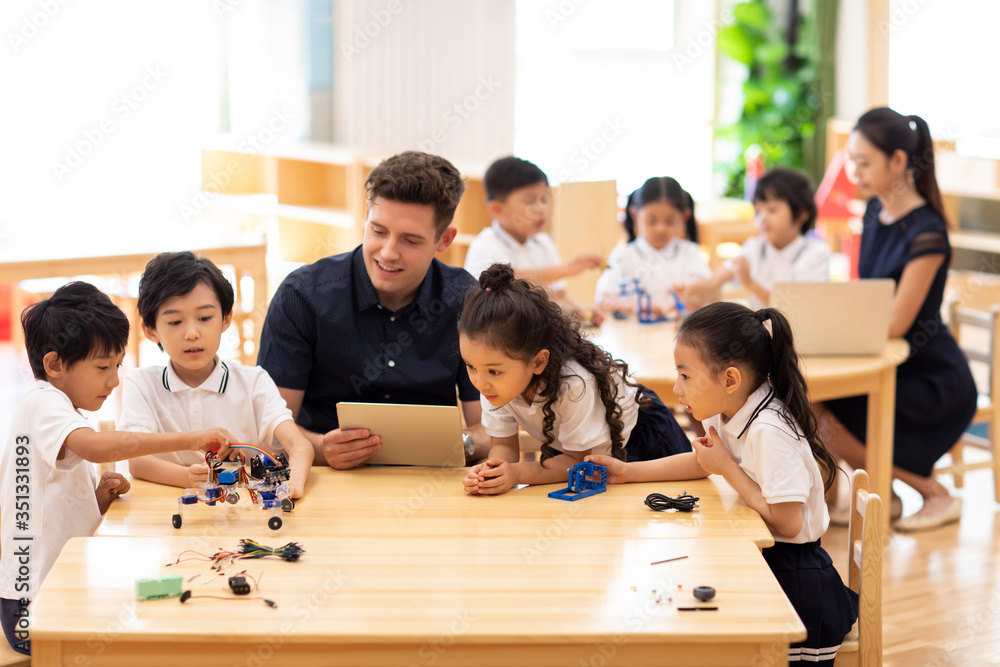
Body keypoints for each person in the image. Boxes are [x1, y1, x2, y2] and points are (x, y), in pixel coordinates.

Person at [589, 302, 859, 666]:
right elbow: (704, 460)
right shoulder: (734, 408)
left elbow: (788, 522)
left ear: (729, 379)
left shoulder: (768, 431)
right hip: (768, 563)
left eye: (685, 376)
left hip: (800, 587)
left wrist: (727, 468)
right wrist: (630, 472)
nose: (676, 387)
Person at [0, 282, 232, 655]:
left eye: (119, 365)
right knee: (146, 631)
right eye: (103, 366)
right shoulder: (42, 404)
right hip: (31, 605)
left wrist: (97, 499)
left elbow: (48, 505)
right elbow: (97, 447)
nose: (114, 379)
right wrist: (189, 439)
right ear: (55, 364)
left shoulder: (55, 412)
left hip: (55, 587)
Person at [259, 151, 489, 469]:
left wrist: (459, 445)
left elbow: (491, 429)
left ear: (444, 239)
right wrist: (321, 447)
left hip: (433, 484)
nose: (388, 253)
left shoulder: (468, 302)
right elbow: (269, 427)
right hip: (326, 481)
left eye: (410, 240)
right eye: (378, 231)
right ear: (366, 214)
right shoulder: (302, 296)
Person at [817, 108, 977, 532]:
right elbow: (863, 296)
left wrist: (827, 327)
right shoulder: (873, 213)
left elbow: (894, 323)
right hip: (886, 360)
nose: (854, 171)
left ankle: (935, 493)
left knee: (818, 409)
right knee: (812, 402)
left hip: (930, 376)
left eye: (864, 162)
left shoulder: (927, 232)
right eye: (851, 159)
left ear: (899, 162)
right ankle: (882, 497)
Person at [460, 264, 690, 495]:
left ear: (538, 362)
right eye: (470, 366)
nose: (479, 382)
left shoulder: (575, 384)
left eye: (493, 371)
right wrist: (491, 472)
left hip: (643, 440)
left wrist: (517, 473)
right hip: (578, 455)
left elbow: (579, 462)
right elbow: (503, 446)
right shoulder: (492, 381)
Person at [120, 252, 312, 497]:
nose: (191, 333)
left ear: (226, 318)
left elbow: (300, 446)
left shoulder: (254, 382)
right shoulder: (141, 384)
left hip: (240, 514)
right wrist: (186, 477)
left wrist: (291, 485)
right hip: (163, 514)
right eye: (175, 322)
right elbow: (137, 461)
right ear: (150, 330)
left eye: (204, 318)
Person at [463, 156, 605, 325]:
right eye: (530, 201)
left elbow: (558, 295)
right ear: (498, 210)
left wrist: (581, 312)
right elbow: (505, 281)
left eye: (544, 199)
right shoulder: (486, 243)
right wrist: (566, 269)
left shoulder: (543, 242)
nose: (540, 209)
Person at [679, 167, 830, 309]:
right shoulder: (754, 247)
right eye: (758, 211)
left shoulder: (815, 254)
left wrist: (750, 283)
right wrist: (687, 290)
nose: (762, 219)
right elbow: (714, 282)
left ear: (801, 214)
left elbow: (795, 310)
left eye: (772, 210)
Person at [595, 176, 711, 318]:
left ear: (684, 217)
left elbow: (707, 293)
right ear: (635, 214)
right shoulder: (623, 255)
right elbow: (602, 299)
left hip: (680, 336)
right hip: (633, 337)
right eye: (651, 221)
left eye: (670, 221)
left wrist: (692, 301)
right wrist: (632, 307)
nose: (660, 229)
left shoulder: (690, 253)